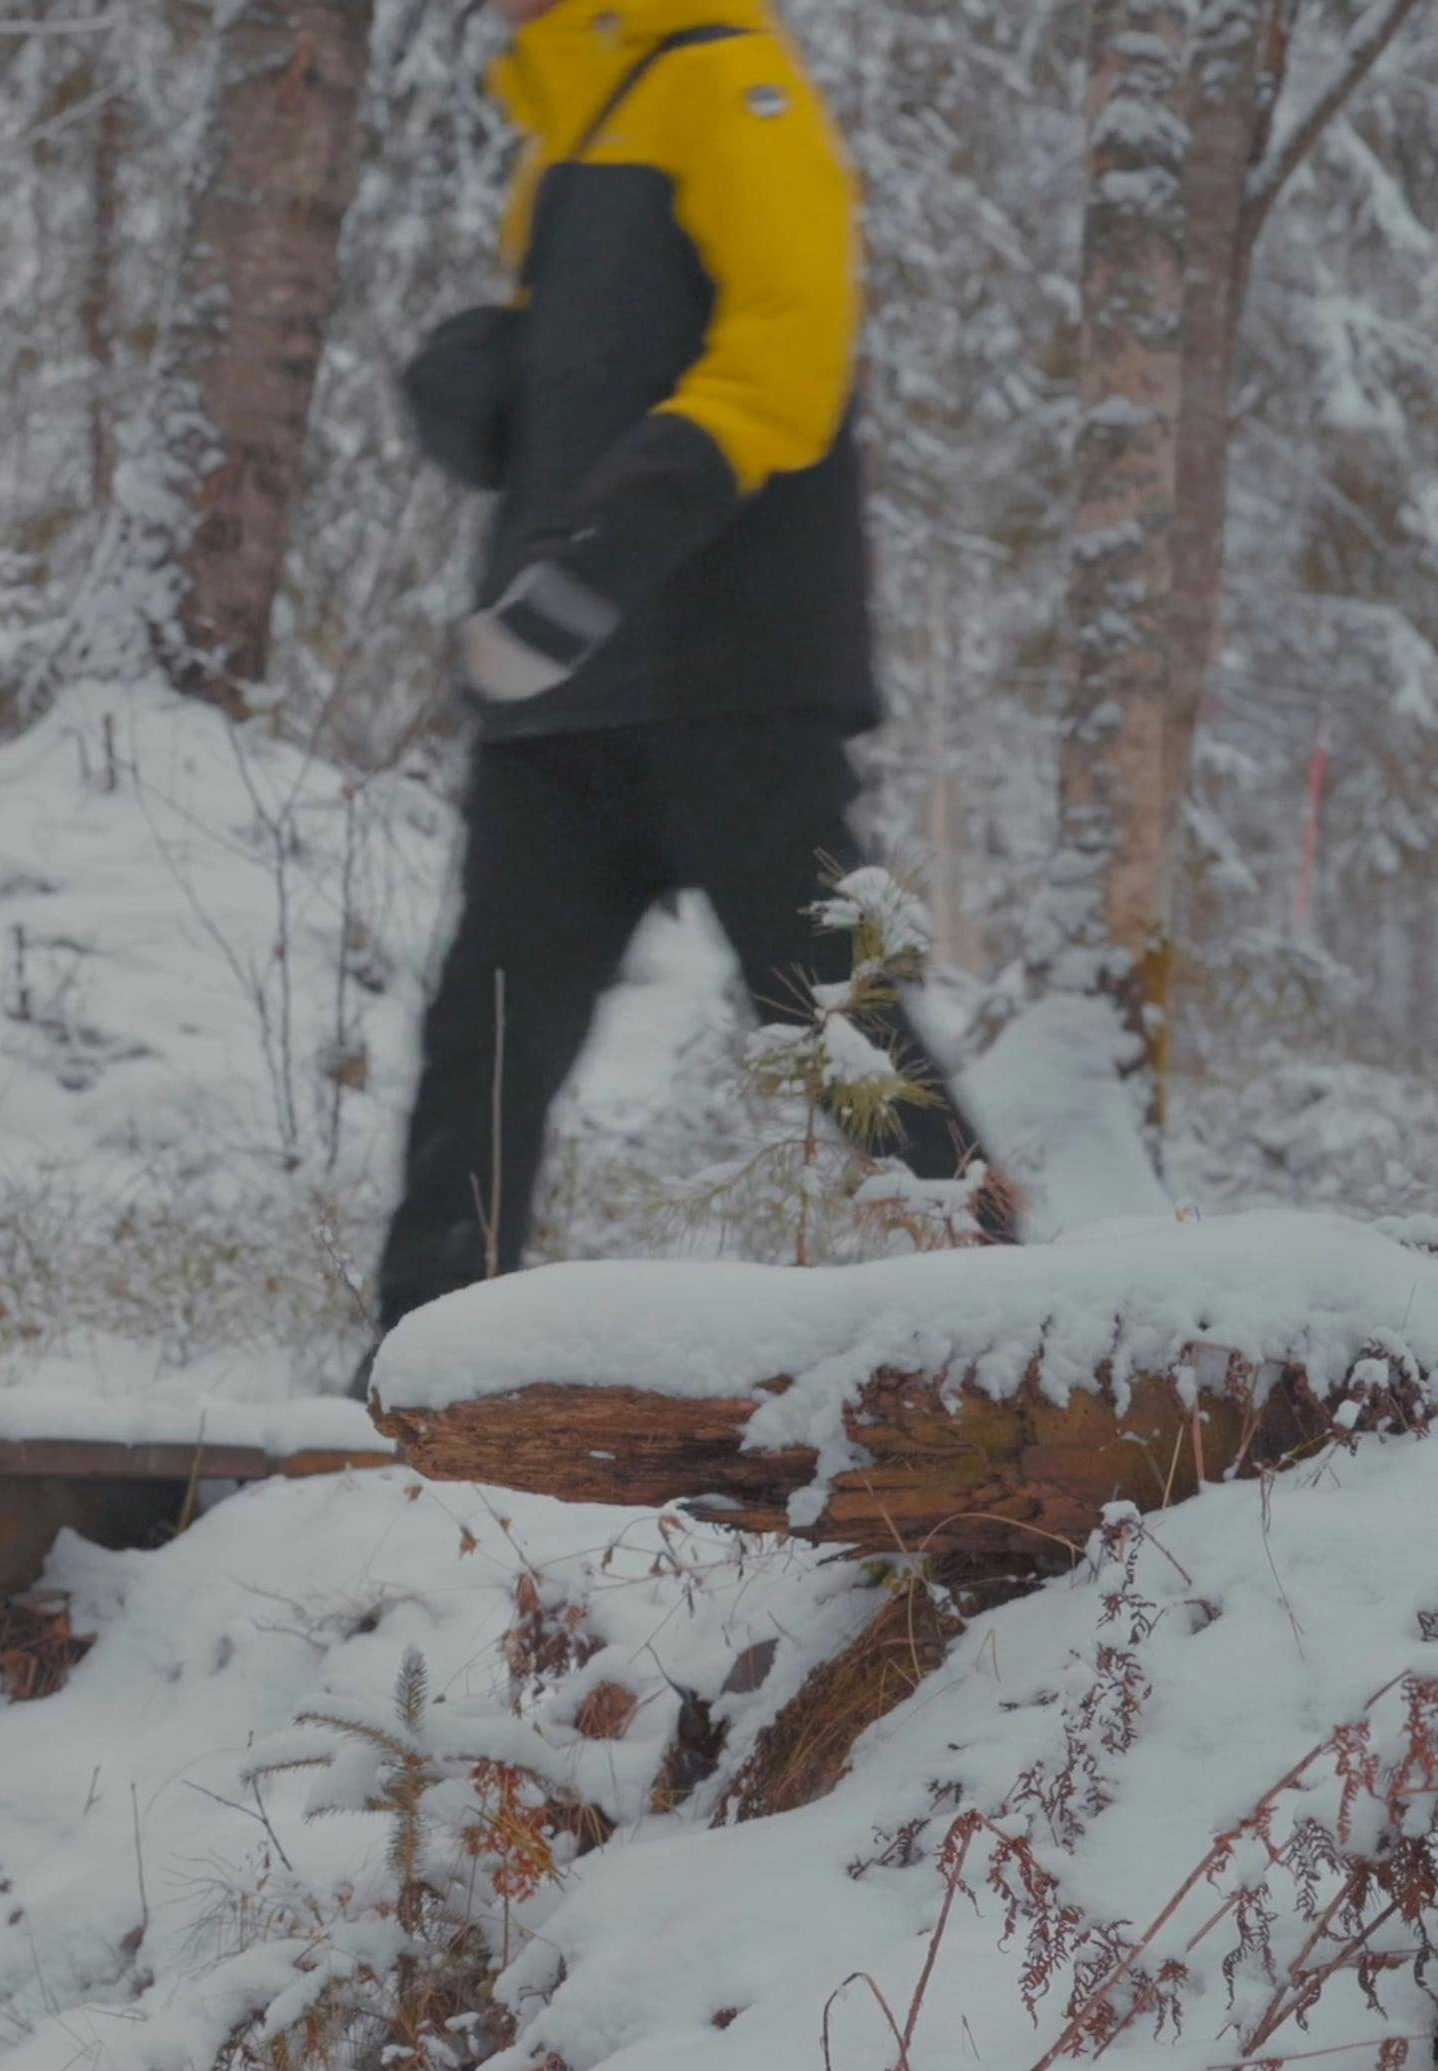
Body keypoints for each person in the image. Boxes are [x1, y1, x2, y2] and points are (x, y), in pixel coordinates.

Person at [361, 0, 1006, 1383]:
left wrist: (615, 539)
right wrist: (493, 381)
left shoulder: (731, 81)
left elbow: (792, 343)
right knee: (485, 1037)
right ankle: (412, 1382)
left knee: (830, 1019)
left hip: (731, 670)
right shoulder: (577, 126)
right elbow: (605, 374)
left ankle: (1034, 1326)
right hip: (565, 690)